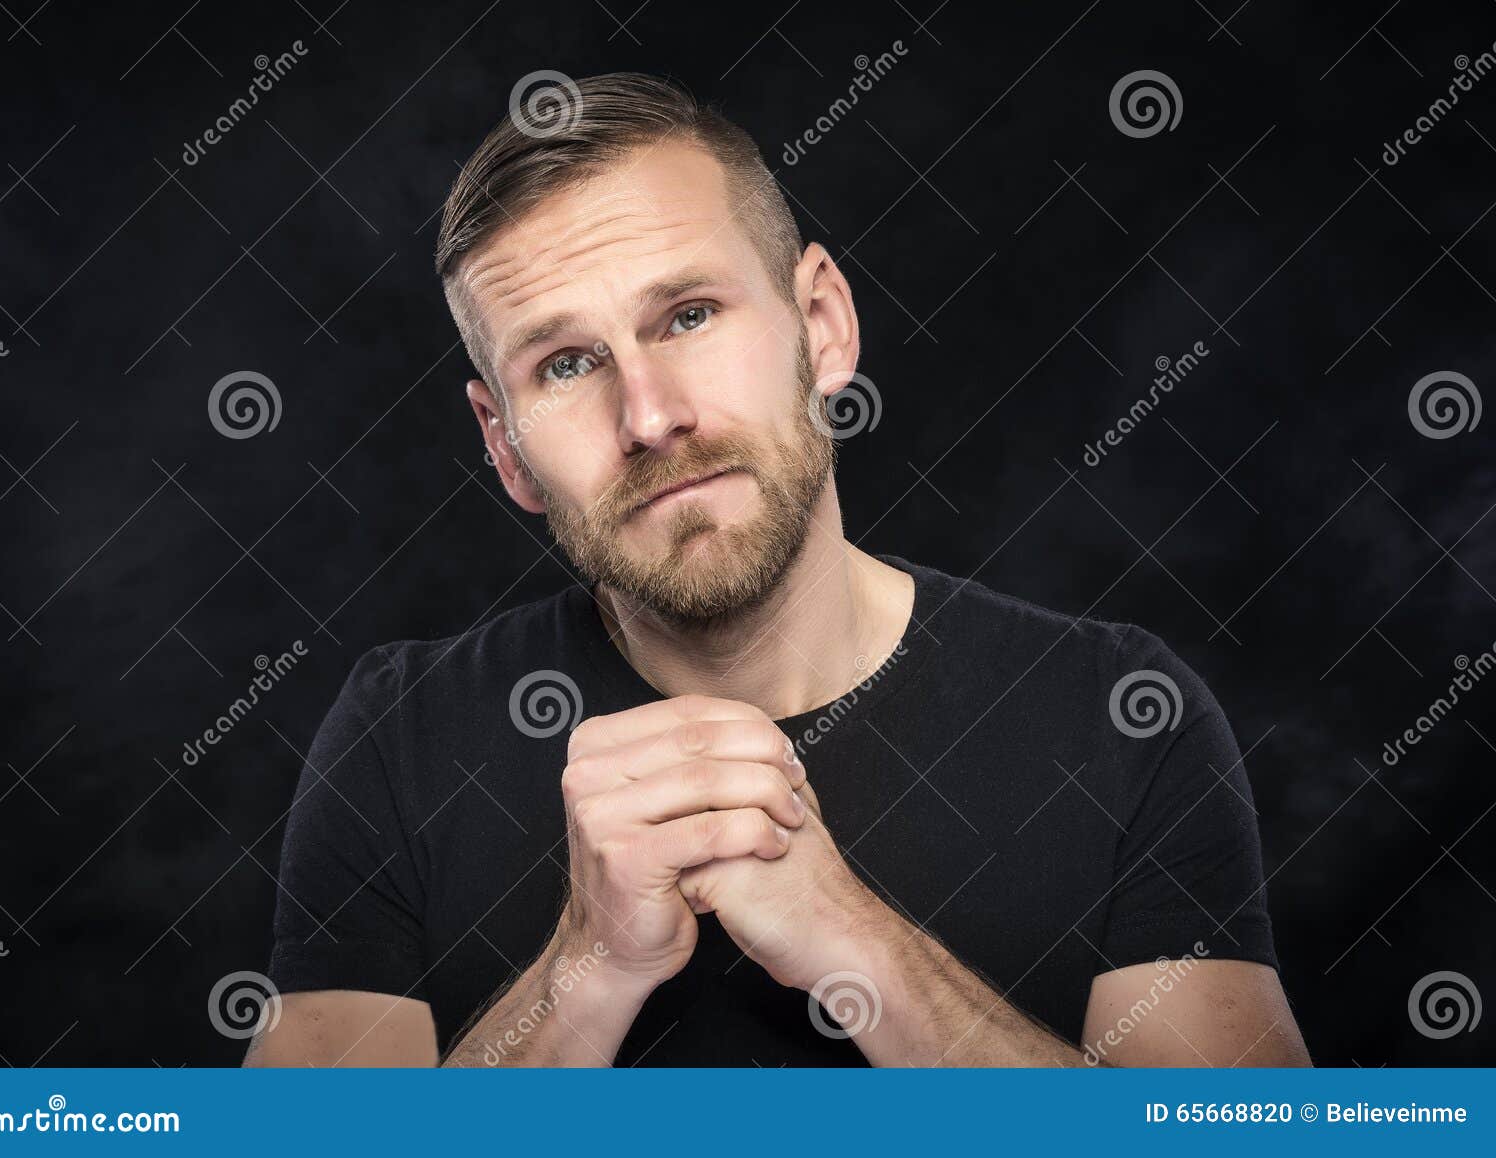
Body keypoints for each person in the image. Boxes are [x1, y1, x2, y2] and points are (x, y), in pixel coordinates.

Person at [246, 72, 1310, 1067]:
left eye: (689, 316)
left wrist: (859, 948)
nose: (650, 417)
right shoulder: (400, 739)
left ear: (823, 326)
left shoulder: (1120, 718)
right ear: (506, 445)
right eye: (565, 364)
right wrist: (586, 973)